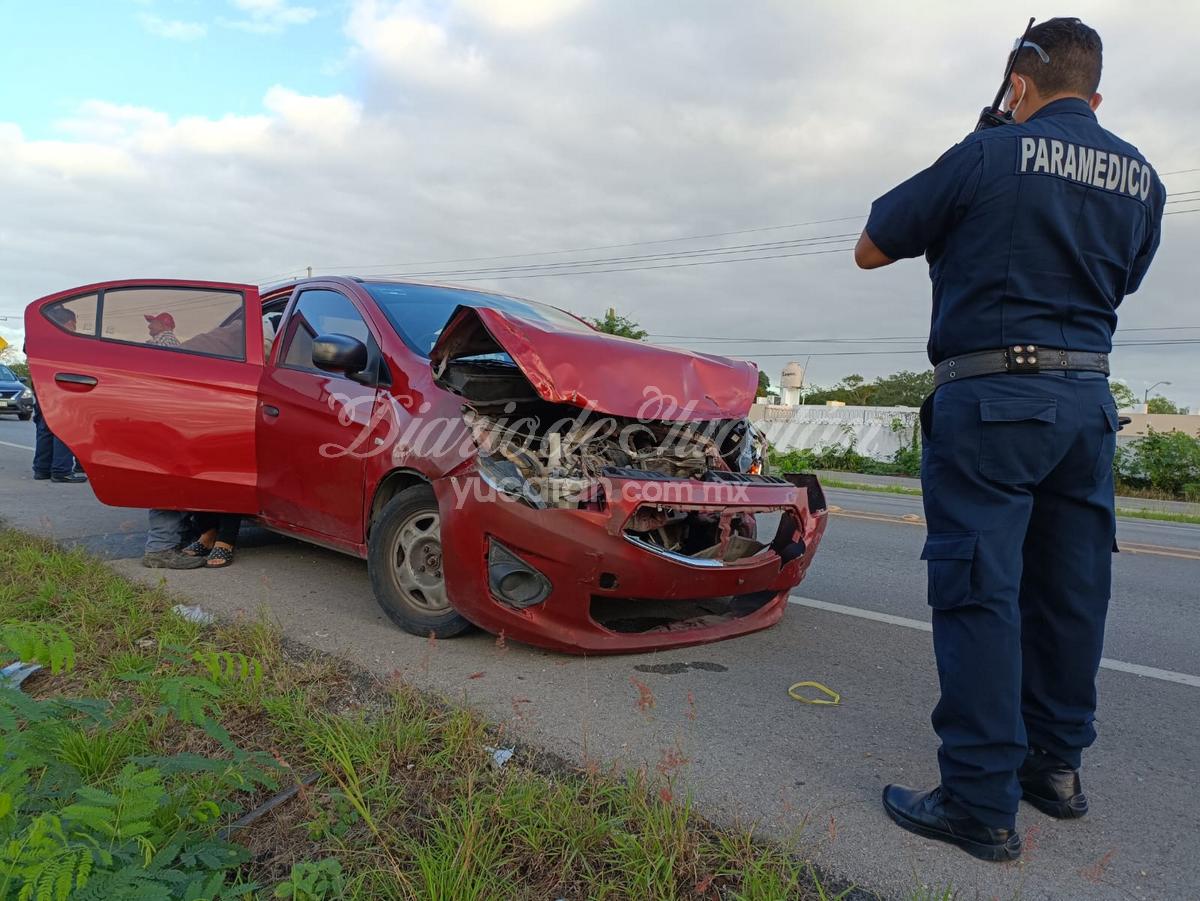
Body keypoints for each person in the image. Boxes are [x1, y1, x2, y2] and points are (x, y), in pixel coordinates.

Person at [853, 18, 1164, 862]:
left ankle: (981, 802)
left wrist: (986, 137)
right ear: (1094, 95)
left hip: (992, 398)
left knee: (981, 591)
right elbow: (1123, 278)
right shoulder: (1143, 176)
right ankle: (1054, 770)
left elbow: (872, 244)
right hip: (1088, 402)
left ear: (1018, 86)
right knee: (1070, 589)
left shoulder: (991, 152)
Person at [30, 307, 86, 484]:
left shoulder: (39, 336)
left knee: (45, 426)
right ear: (69, 322)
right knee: (64, 427)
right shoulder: (67, 339)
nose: (75, 326)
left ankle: (41, 469)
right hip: (60, 386)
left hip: (41, 384)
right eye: (75, 323)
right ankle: (61, 470)